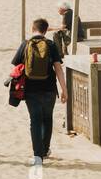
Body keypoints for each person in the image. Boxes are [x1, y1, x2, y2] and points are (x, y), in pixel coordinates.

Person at [12, 18, 67, 166]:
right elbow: (58, 69)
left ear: (32, 29)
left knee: (35, 121)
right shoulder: (50, 45)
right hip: (49, 89)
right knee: (47, 119)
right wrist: (64, 89)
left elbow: (17, 67)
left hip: (30, 90)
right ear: (46, 30)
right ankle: (45, 150)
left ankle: (37, 156)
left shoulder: (25, 44)